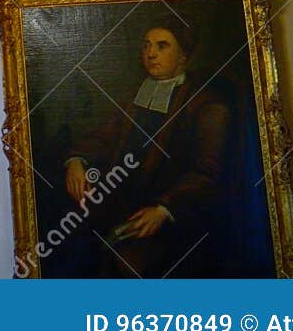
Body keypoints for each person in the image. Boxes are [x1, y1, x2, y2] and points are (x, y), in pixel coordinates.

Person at [62, 22, 230, 277]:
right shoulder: (135, 96)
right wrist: (76, 160)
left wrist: (165, 209)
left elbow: (206, 174)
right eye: (146, 46)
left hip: (174, 215)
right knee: (69, 239)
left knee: (123, 261)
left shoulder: (208, 107)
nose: (150, 54)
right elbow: (105, 136)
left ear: (183, 56)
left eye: (162, 46)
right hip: (121, 202)